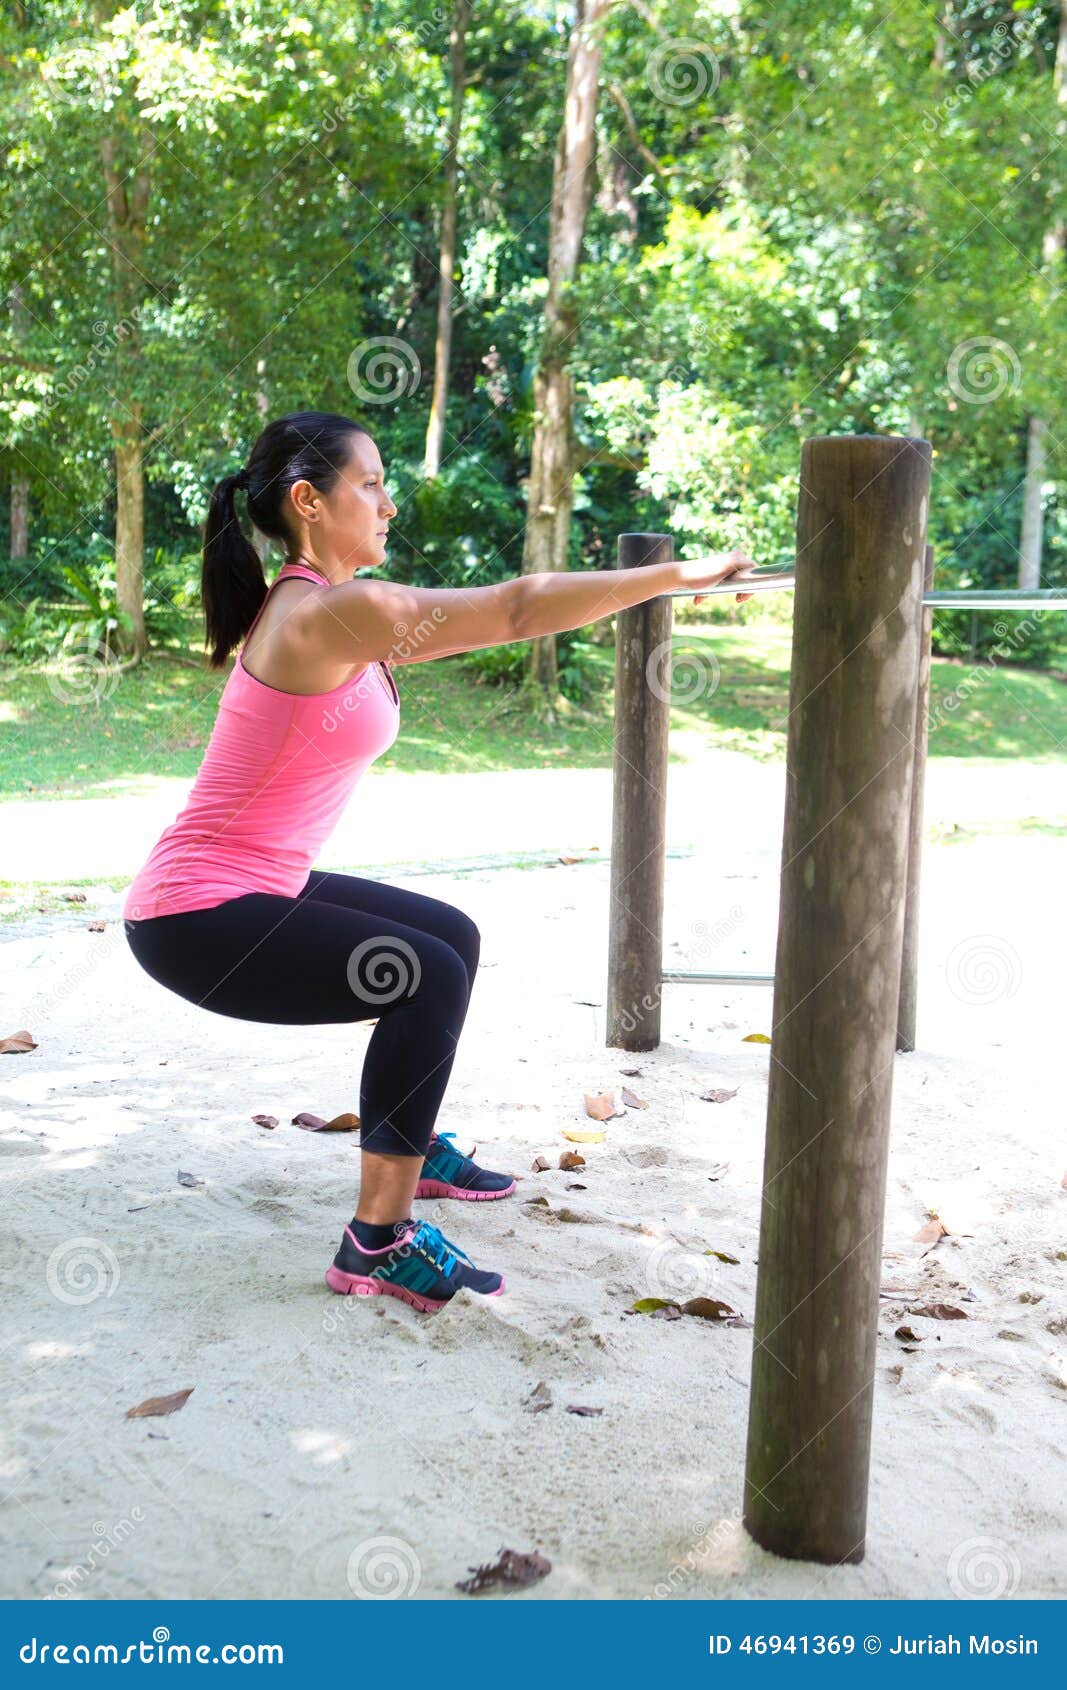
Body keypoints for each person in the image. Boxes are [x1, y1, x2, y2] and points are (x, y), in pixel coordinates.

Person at [123, 409, 758, 1314]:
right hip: (193, 919)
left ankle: (408, 1150)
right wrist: (674, 576)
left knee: (447, 935)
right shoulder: (330, 613)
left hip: (243, 889)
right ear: (309, 501)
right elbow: (512, 608)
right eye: (370, 485)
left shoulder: (323, 605)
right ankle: (374, 1243)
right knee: (419, 976)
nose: (388, 503)